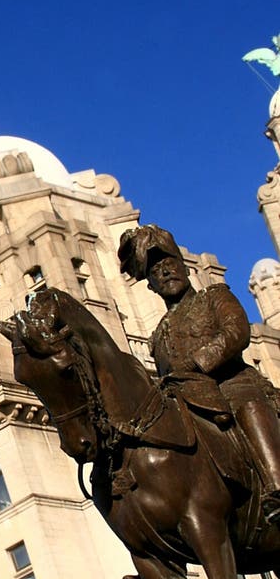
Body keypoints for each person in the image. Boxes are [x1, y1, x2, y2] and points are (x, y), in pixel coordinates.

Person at [118, 224, 280, 524]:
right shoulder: (158, 337)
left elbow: (236, 332)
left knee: (249, 406)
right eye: (156, 272)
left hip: (231, 384)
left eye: (170, 265)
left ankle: (276, 486)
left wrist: (197, 361)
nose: (165, 272)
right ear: (151, 285)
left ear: (184, 267)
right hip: (188, 403)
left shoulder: (213, 297)